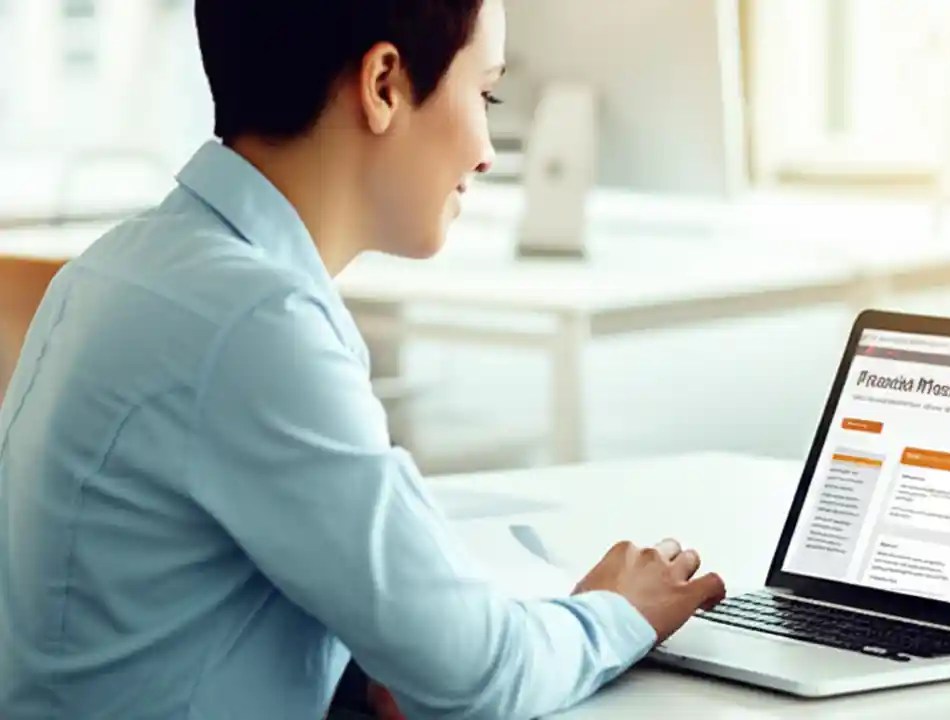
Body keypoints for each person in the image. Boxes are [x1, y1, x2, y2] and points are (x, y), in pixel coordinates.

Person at [0, 0, 726, 717]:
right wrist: (619, 611)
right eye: (485, 92)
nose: (486, 150)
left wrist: (366, 667)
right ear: (384, 85)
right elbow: (478, 675)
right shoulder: (253, 320)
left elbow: (169, 606)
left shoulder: (122, 266)